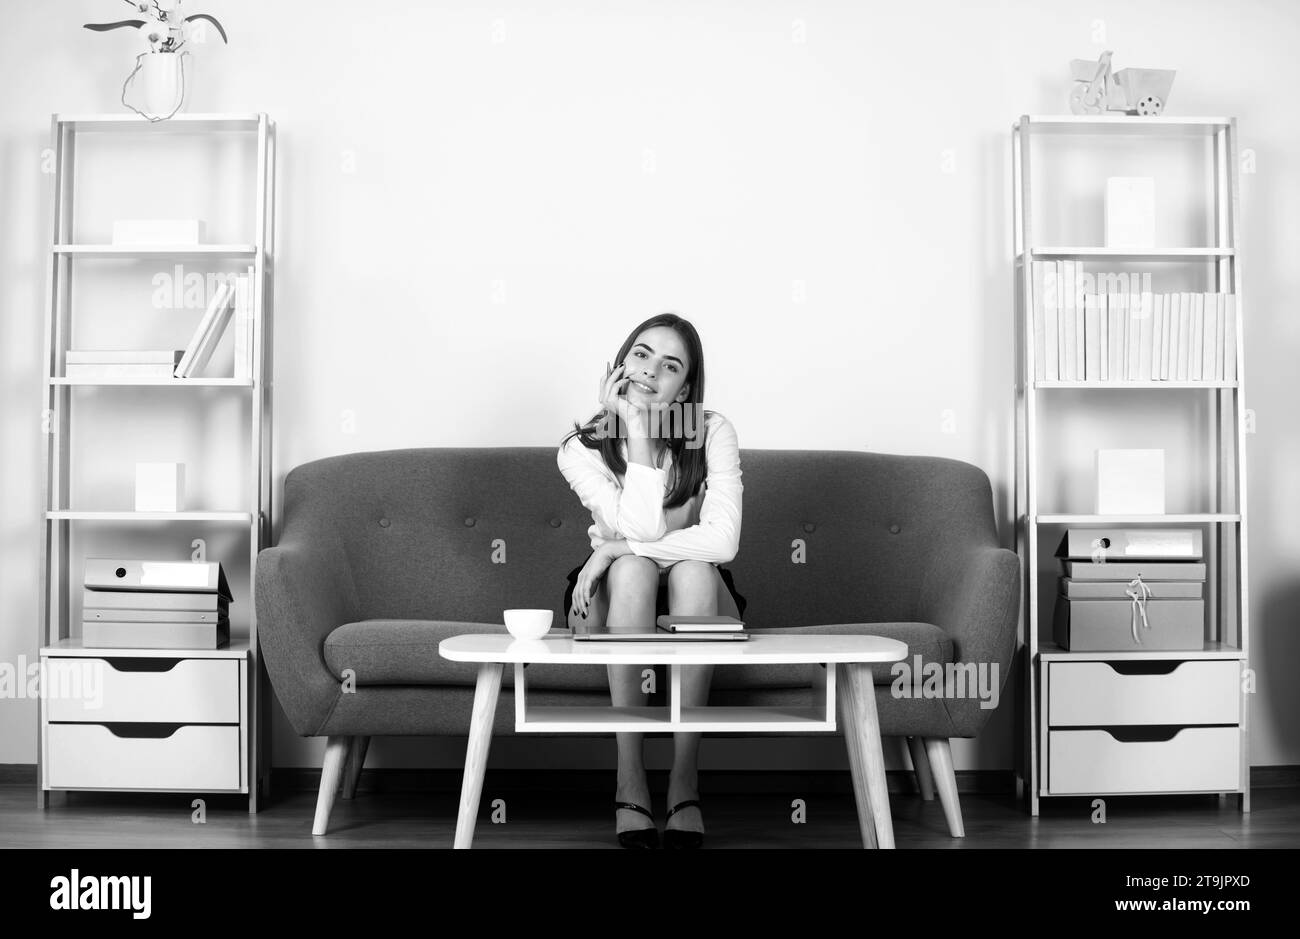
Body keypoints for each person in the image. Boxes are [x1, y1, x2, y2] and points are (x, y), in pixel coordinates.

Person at [557, 312, 744, 849]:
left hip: (698, 589)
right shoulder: (581, 446)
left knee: (692, 569)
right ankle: (630, 775)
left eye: (670, 365)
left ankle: (686, 777)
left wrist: (615, 545)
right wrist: (637, 432)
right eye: (641, 354)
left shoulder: (711, 431)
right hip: (613, 591)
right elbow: (639, 529)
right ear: (621, 362)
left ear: (684, 386)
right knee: (636, 568)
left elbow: (723, 541)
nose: (649, 372)